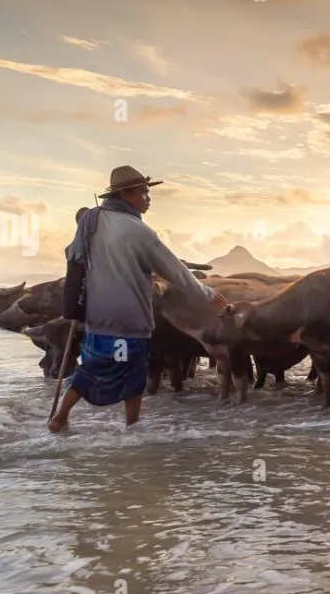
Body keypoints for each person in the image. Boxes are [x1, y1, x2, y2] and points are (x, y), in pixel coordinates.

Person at [48, 165, 214, 432]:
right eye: (144, 193)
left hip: (98, 319)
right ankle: (132, 427)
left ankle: (60, 416)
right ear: (127, 194)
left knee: (91, 369)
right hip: (131, 321)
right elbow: (176, 272)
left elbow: (74, 255)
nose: (148, 199)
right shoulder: (139, 231)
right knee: (132, 373)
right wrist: (209, 296)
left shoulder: (89, 224)